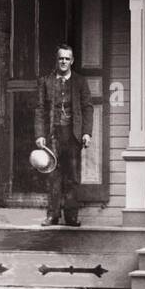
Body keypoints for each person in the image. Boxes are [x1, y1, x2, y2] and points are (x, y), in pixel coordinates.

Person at [33, 43, 93, 226]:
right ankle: (52, 215)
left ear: (72, 61)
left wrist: (86, 133)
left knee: (72, 176)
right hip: (53, 135)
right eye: (61, 58)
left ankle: (71, 215)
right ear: (56, 60)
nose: (64, 61)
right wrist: (40, 134)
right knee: (53, 176)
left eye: (67, 58)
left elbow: (87, 108)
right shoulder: (46, 81)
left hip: (73, 134)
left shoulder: (80, 81)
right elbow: (40, 109)